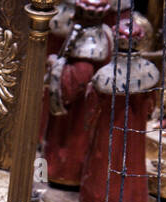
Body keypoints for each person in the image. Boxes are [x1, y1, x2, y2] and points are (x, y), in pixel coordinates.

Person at [79, 17, 161, 202]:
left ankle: (104, 201)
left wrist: (90, 118)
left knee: (107, 158)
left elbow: (93, 104)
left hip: (109, 126)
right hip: (135, 128)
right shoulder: (148, 73)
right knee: (131, 159)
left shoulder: (104, 75)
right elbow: (151, 103)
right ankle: (130, 201)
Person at [42, 0, 113, 188]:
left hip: (78, 110)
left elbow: (77, 80)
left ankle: (64, 175)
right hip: (85, 105)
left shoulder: (90, 41)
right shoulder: (101, 31)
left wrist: (55, 64)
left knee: (72, 143)